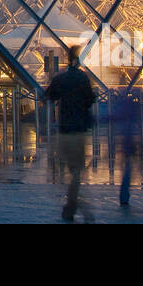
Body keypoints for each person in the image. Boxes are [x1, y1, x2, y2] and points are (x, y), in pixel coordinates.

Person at [46, 48, 96, 222]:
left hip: (64, 130)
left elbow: (49, 96)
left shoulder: (61, 78)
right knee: (75, 172)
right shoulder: (82, 78)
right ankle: (72, 206)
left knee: (70, 170)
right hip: (78, 130)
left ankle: (71, 206)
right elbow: (90, 100)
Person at [109, 86, 141, 207]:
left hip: (126, 140)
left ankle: (124, 195)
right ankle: (124, 195)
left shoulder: (123, 106)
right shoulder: (132, 106)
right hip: (129, 141)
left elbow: (112, 117)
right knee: (128, 168)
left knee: (127, 168)